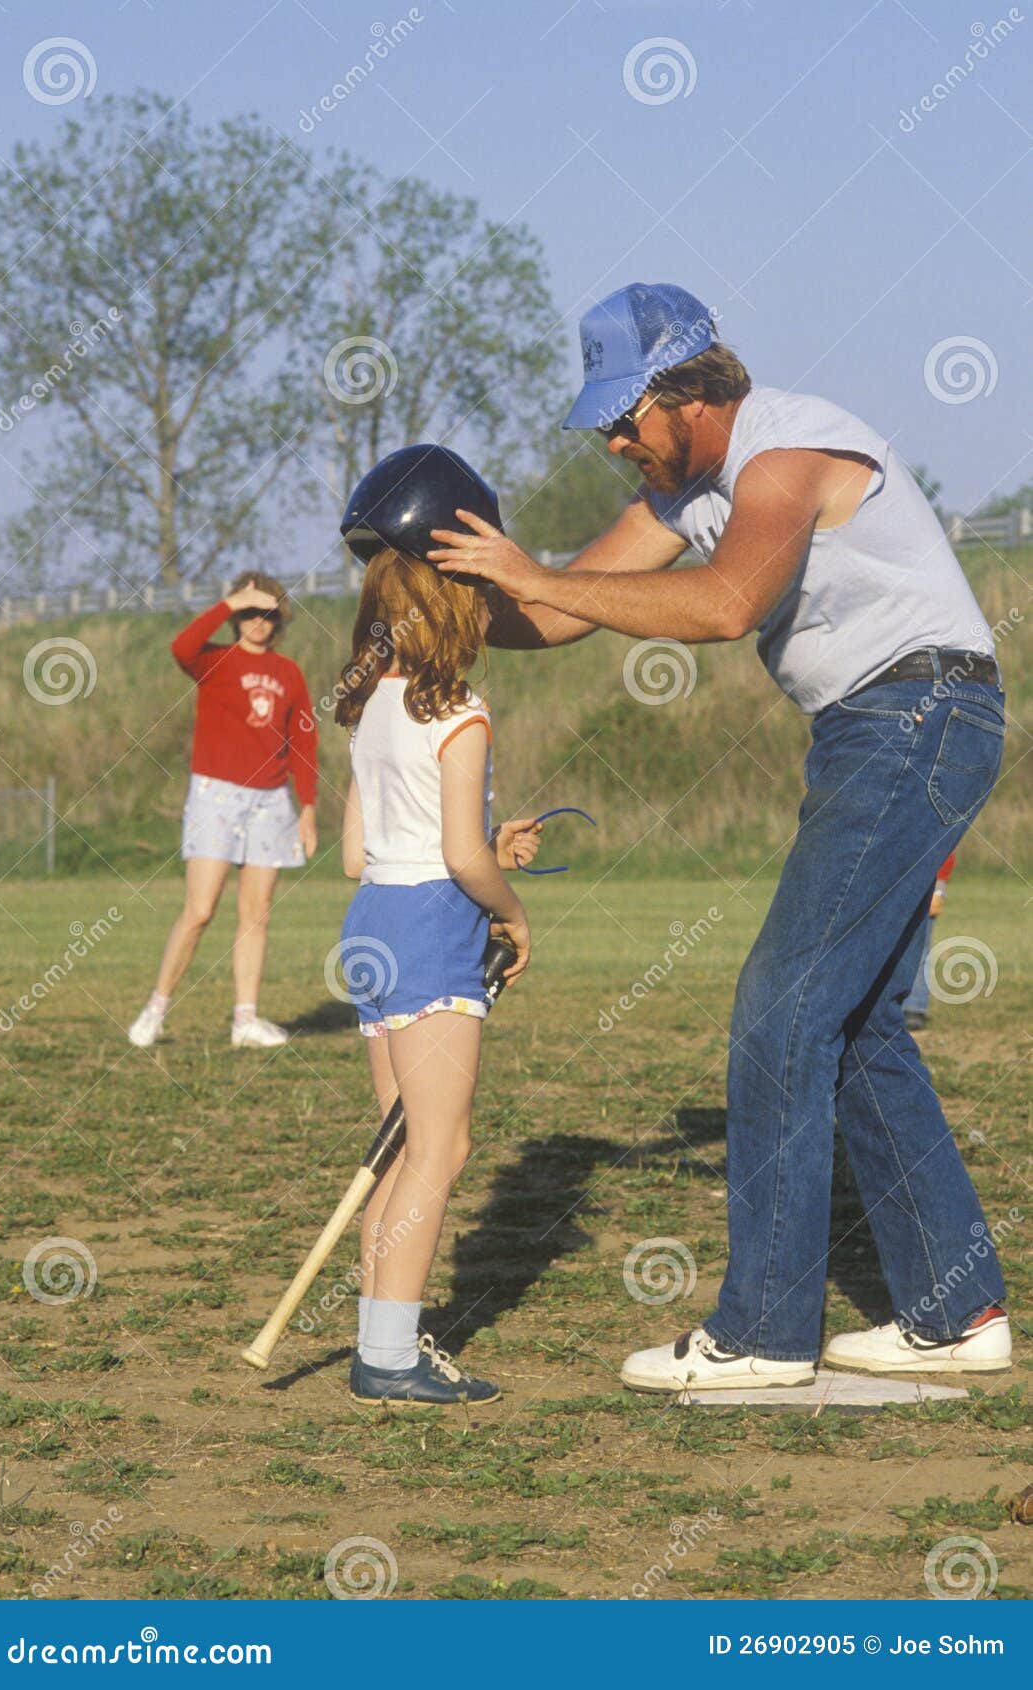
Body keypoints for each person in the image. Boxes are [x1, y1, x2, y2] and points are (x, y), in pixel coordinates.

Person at [429, 281, 1011, 1388]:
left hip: (916, 716)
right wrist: (440, 583)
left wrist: (540, 574)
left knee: (780, 1010)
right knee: (855, 1022)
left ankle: (763, 1332)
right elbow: (555, 610)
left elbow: (726, 604)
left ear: (687, 389)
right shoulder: (679, 489)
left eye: (623, 415)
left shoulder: (784, 454)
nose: (610, 439)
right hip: (876, 728)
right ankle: (955, 1311)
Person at [336, 447, 542, 1406]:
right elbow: (462, 860)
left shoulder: (365, 706)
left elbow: (360, 849)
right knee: (439, 1148)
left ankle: (377, 1337)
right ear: (463, 607)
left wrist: (487, 844)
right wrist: (511, 907)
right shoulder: (460, 711)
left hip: (371, 918)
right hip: (429, 925)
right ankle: (388, 1356)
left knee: (398, 1143)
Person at [128, 571, 318, 1051]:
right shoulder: (213, 660)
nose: (258, 621)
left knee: (256, 913)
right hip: (216, 795)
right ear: (236, 615)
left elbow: (304, 742)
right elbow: (181, 647)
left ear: (279, 620)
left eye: (267, 613)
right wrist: (230, 601)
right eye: (249, 612)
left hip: (271, 801)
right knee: (200, 909)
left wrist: (308, 807)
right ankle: (156, 1008)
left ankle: (246, 1019)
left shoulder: (289, 673)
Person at [902, 853, 957, 1031]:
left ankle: (914, 1008)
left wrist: (939, 889)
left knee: (921, 949)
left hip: (930, 884)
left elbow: (946, 852)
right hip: (899, 882)